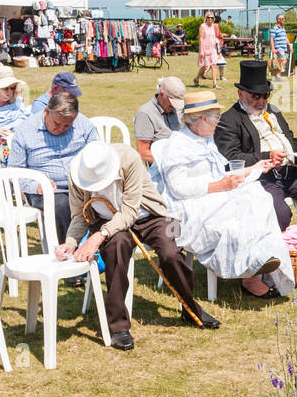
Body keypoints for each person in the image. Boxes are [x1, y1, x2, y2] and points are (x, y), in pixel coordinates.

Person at [57, 141, 221, 351]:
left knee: (170, 253)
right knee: (116, 248)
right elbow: (79, 216)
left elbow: (129, 212)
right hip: (107, 222)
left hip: (146, 214)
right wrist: (71, 242)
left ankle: (190, 308)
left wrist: (98, 237)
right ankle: (118, 327)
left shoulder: (129, 159)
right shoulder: (77, 173)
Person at [152, 91, 294, 298]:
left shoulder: (204, 139)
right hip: (188, 205)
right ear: (201, 118)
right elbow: (178, 188)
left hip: (212, 194)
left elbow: (221, 173)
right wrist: (218, 186)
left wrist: (253, 168)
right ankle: (250, 274)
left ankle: (260, 260)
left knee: (259, 197)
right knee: (239, 211)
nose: (218, 123)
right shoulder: (178, 144)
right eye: (215, 118)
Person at [215, 60, 297, 235]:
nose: (261, 101)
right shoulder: (229, 120)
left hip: (290, 174)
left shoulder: (273, 111)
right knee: (280, 213)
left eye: (265, 95)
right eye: (256, 96)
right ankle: (275, 250)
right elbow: (231, 159)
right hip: (262, 178)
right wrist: (267, 156)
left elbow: (289, 137)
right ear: (240, 93)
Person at [7, 90, 96, 244]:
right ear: (47, 111)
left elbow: (97, 156)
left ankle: (99, 251)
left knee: (103, 203)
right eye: (56, 123)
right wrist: (37, 185)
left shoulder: (84, 125)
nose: (61, 129)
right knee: (62, 206)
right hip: (48, 191)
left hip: (82, 186)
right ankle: (68, 253)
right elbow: (15, 171)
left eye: (67, 126)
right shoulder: (25, 131)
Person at [134, 76, 185, 164]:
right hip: (163, 167)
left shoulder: (177, 108)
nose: (174, 106)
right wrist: (170, 163)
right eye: (171, 103)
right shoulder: (145, 114)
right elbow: (143, 153)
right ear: (161, 94)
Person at [195, 12, 221, 89]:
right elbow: (201, 39)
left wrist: (218, 46)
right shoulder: (203, 26)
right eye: (208, 17)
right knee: (205, 66)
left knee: (214, 65)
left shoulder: (214, 26)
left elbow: (215, 37)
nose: (210, 19)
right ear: (206, 18)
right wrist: (202, 51)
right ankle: (196, 79)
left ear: (214, 19)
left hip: (212, 48)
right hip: (205, 48)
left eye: (212, 18)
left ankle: (215, 84)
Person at [268, 13, 290, 79]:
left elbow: (286, 38)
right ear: (278, 20)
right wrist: (273, 48)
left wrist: (289, 45)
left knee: (281, 61)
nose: (284, 20)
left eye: (284, 18)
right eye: (282, 18)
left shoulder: (283, 28)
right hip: (279, 48)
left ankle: (277, 75)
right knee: (284, 61)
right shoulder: (274, 28)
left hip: (284, 48)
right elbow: (271, 39)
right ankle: (277, 75)